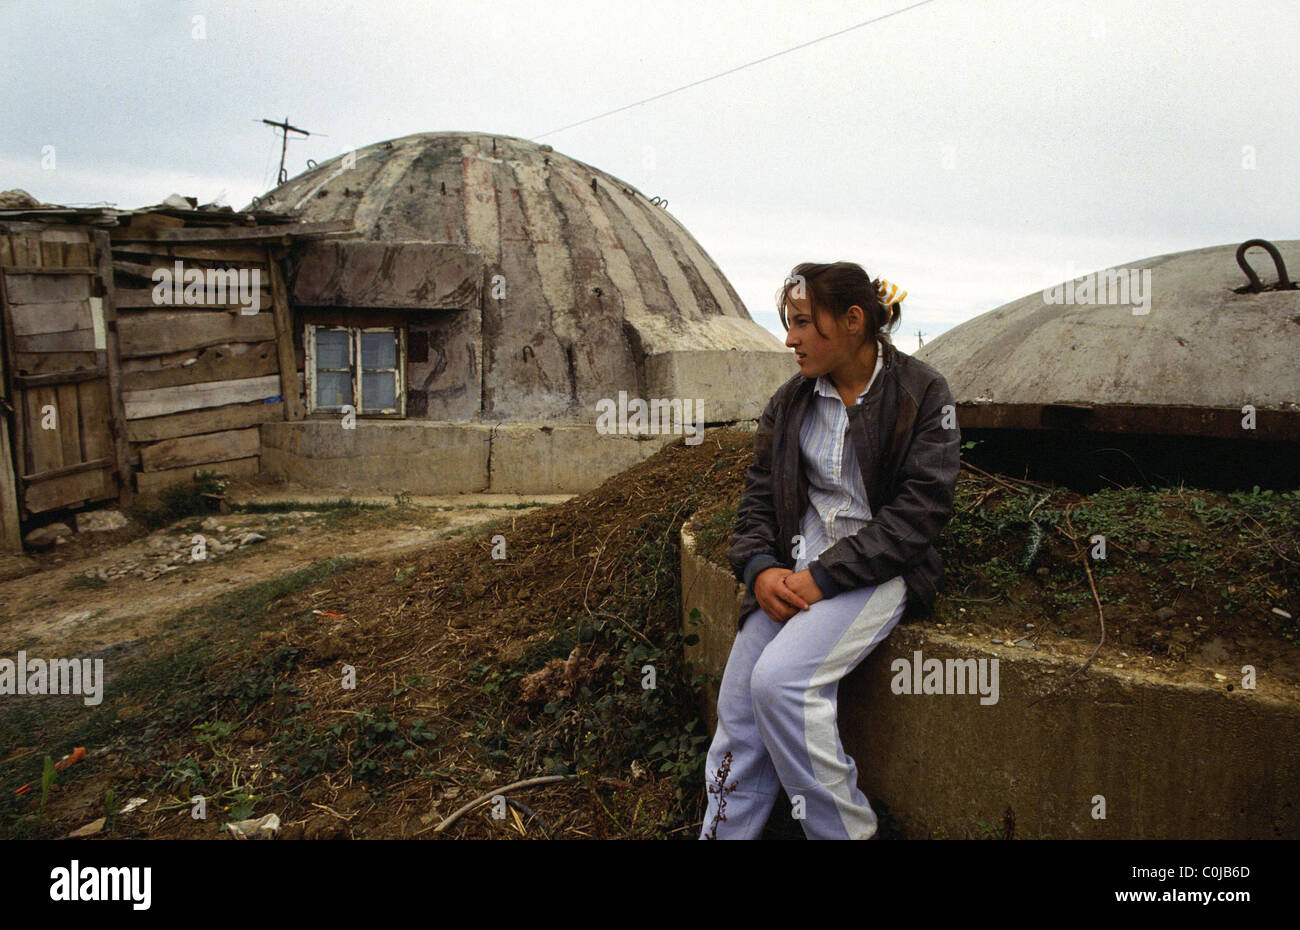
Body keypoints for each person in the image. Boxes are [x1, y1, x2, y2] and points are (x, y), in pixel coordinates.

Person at [700, 261, 961, 840]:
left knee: (781, 685)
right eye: (787, 323)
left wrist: (825, 576)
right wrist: (760, 568)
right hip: (793, 573)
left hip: (877, 572)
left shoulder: (920, 393)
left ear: (852, 320)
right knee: (740, 711)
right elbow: (758, 498)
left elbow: (920, 513)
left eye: (800, 323)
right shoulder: (790, 402)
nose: (789, 339)